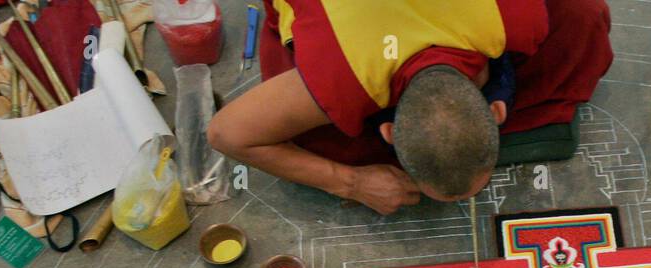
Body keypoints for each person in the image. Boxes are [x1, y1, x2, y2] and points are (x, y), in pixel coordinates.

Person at [207, 0, 613, 214]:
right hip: (349, 37)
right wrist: (349, 182)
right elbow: (225, 133)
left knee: (581, 16)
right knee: (326, 144)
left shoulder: (516, 15)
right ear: (497, 113)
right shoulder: (343, 77)